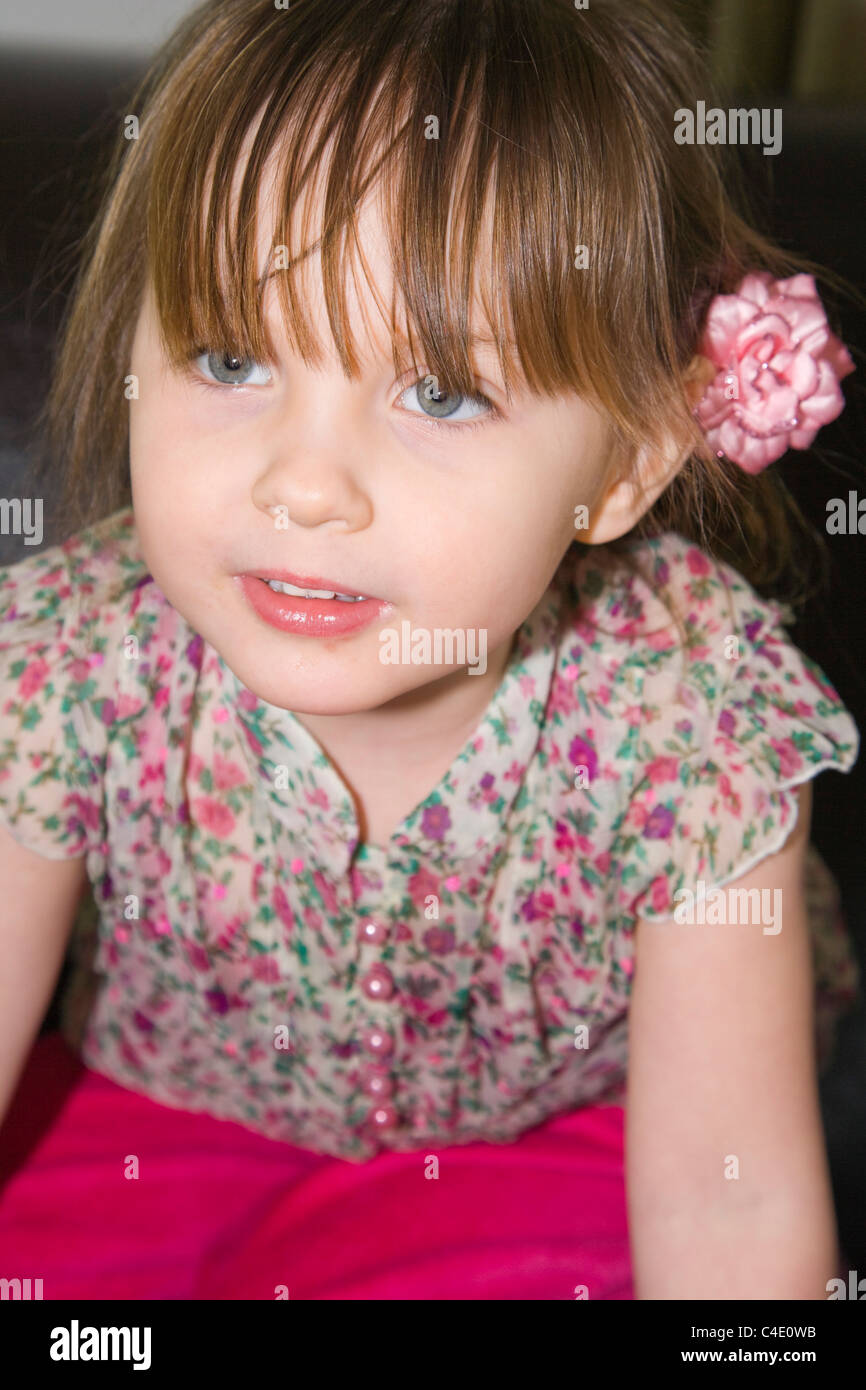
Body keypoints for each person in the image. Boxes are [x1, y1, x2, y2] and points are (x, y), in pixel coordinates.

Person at [0, 0, 860, 1300]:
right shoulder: (65, 658)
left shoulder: (695, 709)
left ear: (624, 466)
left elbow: (722, 1208)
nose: (302, 486)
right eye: (230, 357)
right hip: (149, 1110)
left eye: (441, 393)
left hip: (574, 1129)